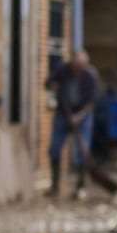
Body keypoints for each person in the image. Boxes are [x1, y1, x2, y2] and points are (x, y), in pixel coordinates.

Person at [44, 49, 101, 198]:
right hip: (63, 113)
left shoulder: (90, 77)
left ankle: (80, 186)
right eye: (76, 68)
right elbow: (48, 83)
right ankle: (54, 186)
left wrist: (78, 117)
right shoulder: (62, 70)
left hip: (83, 114)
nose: (78, 71)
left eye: (81, 68)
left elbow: (91, 104)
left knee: (81, 150)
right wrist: (52, 85)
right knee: (55, 148)